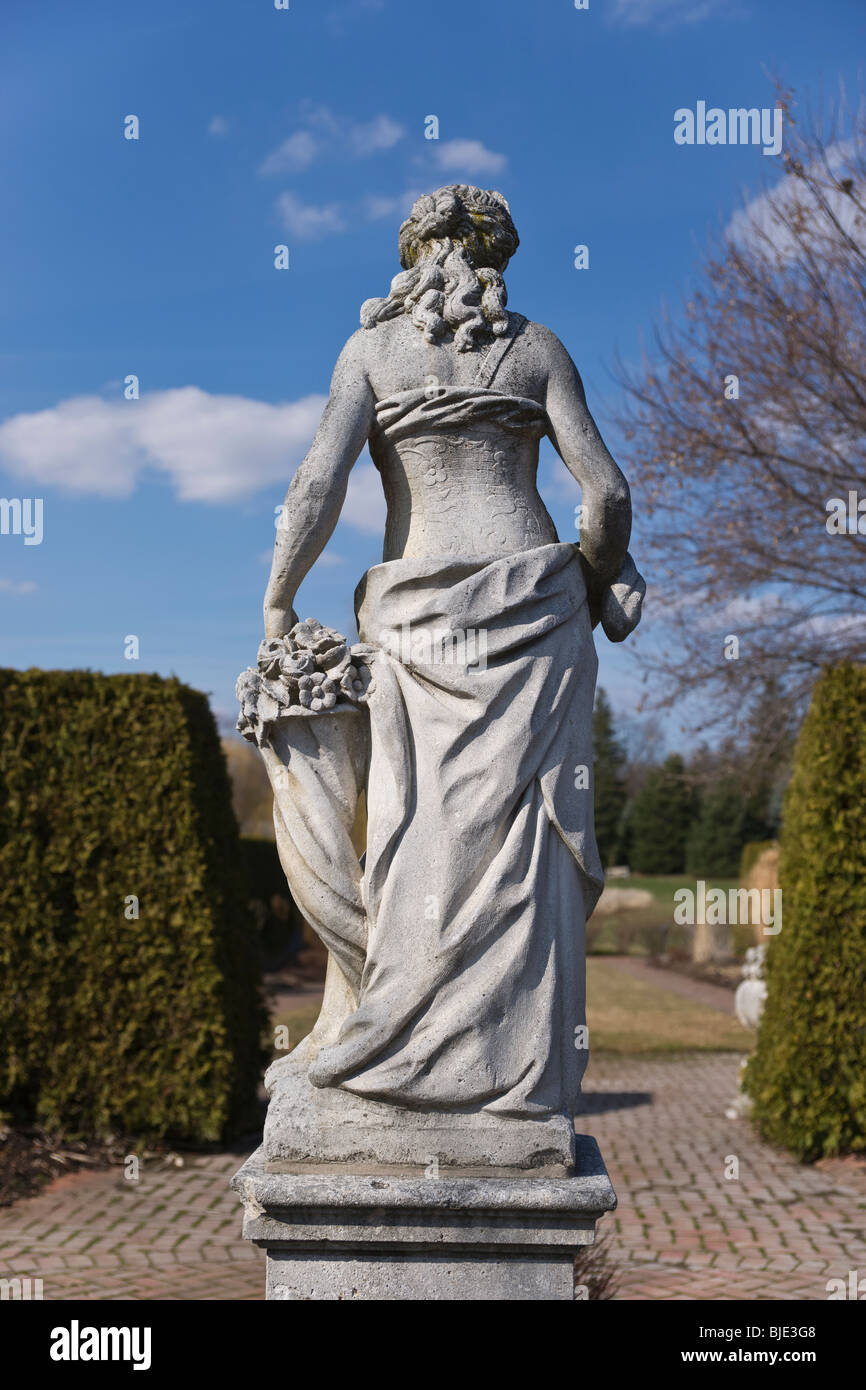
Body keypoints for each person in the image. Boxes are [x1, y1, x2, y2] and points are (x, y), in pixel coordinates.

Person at [256, 183, 644, 1120]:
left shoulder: (373, 349)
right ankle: (513, 1076)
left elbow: (316, 486)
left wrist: (278, 598)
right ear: (498, 261)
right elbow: (608, 496)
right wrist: (602, 572)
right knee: (520, 845)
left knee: (417, 832)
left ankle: (398, 1047)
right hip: (535, 610)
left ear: (412, 257)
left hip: (415, 615)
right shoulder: (536, 346)